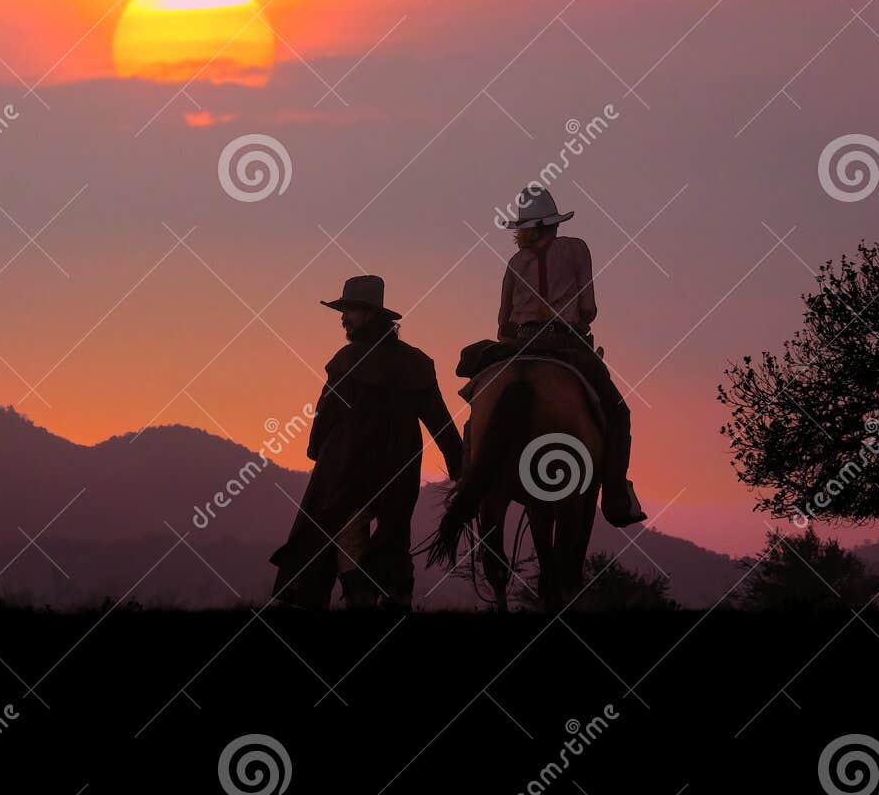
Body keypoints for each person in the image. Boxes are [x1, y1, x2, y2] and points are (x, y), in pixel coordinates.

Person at [269, 275, 464, 609]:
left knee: (344, 531)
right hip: (400, 468)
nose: (344, 317)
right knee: (396, 535)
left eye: (351, 311)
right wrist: (459, 462)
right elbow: (439, 419)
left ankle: (358, 600)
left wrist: (316, 450)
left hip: (349, 469)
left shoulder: (346, 360)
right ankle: (396, 599)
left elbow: (326, 412)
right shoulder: (415, 362)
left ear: (371, 314)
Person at [497, 187, 646, 526]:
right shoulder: (577, 249)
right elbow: (588, 310)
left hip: (521, 344)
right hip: (567, 344)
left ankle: (472, 471)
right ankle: (616, 496)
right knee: (619, 414)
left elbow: (503, 324)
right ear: (552, 224)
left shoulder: (514, 262)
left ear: (527, 228)